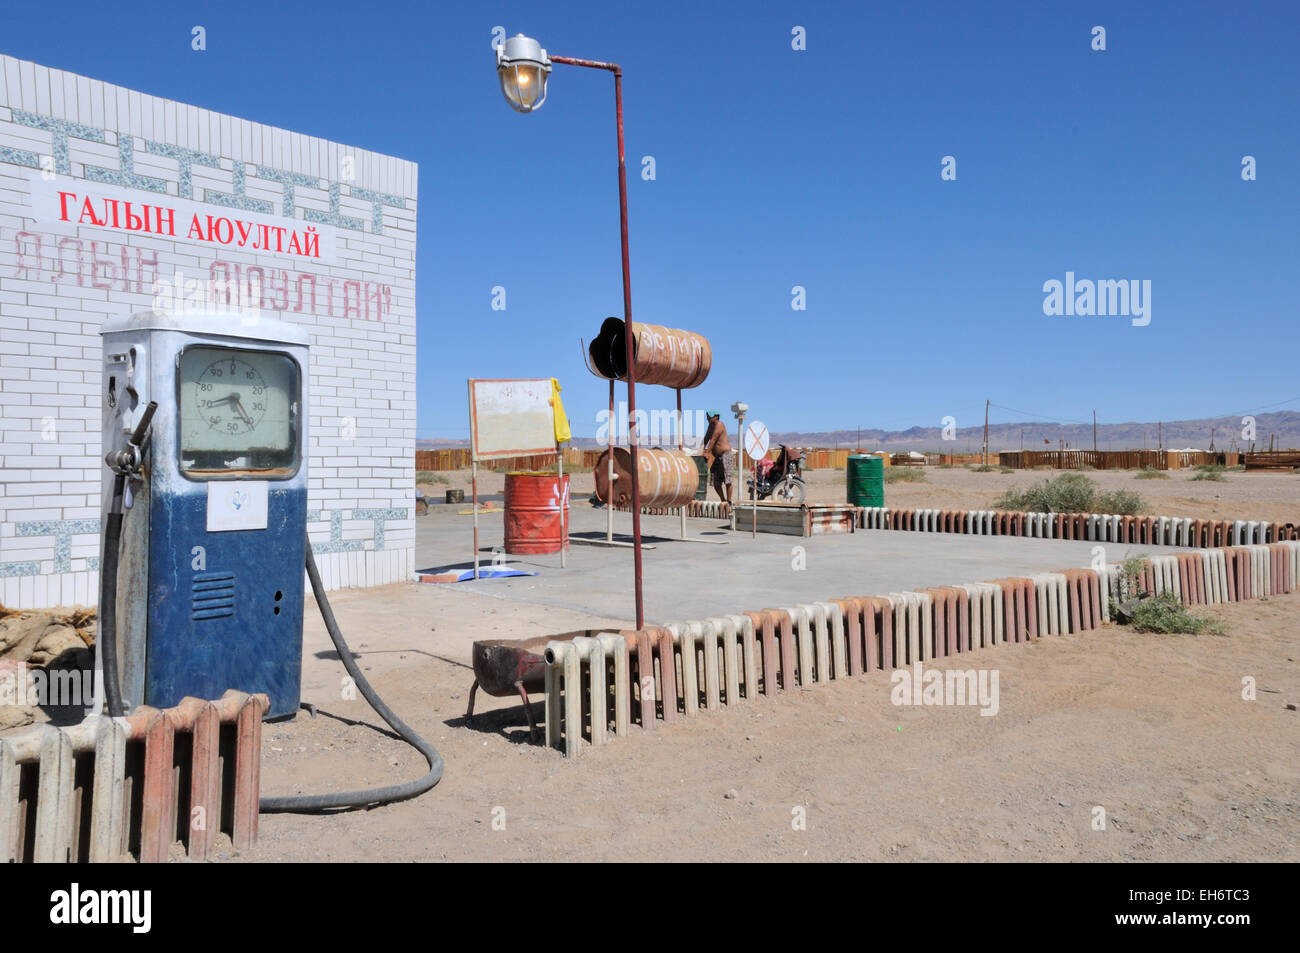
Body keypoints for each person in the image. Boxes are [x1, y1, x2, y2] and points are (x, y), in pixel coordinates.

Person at [701, 410, 734, 503]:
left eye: (709, 417)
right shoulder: (710, 426)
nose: (708, 418)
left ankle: (729, 500)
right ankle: (723, 500)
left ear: (716, 417)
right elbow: (706, 438)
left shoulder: (720, 425)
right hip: (717, 457)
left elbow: (713, 440)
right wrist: (700, 450)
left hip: (726, 455)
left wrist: (707, 452)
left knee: (728, 480)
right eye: (707, 416)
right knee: (715, 482)